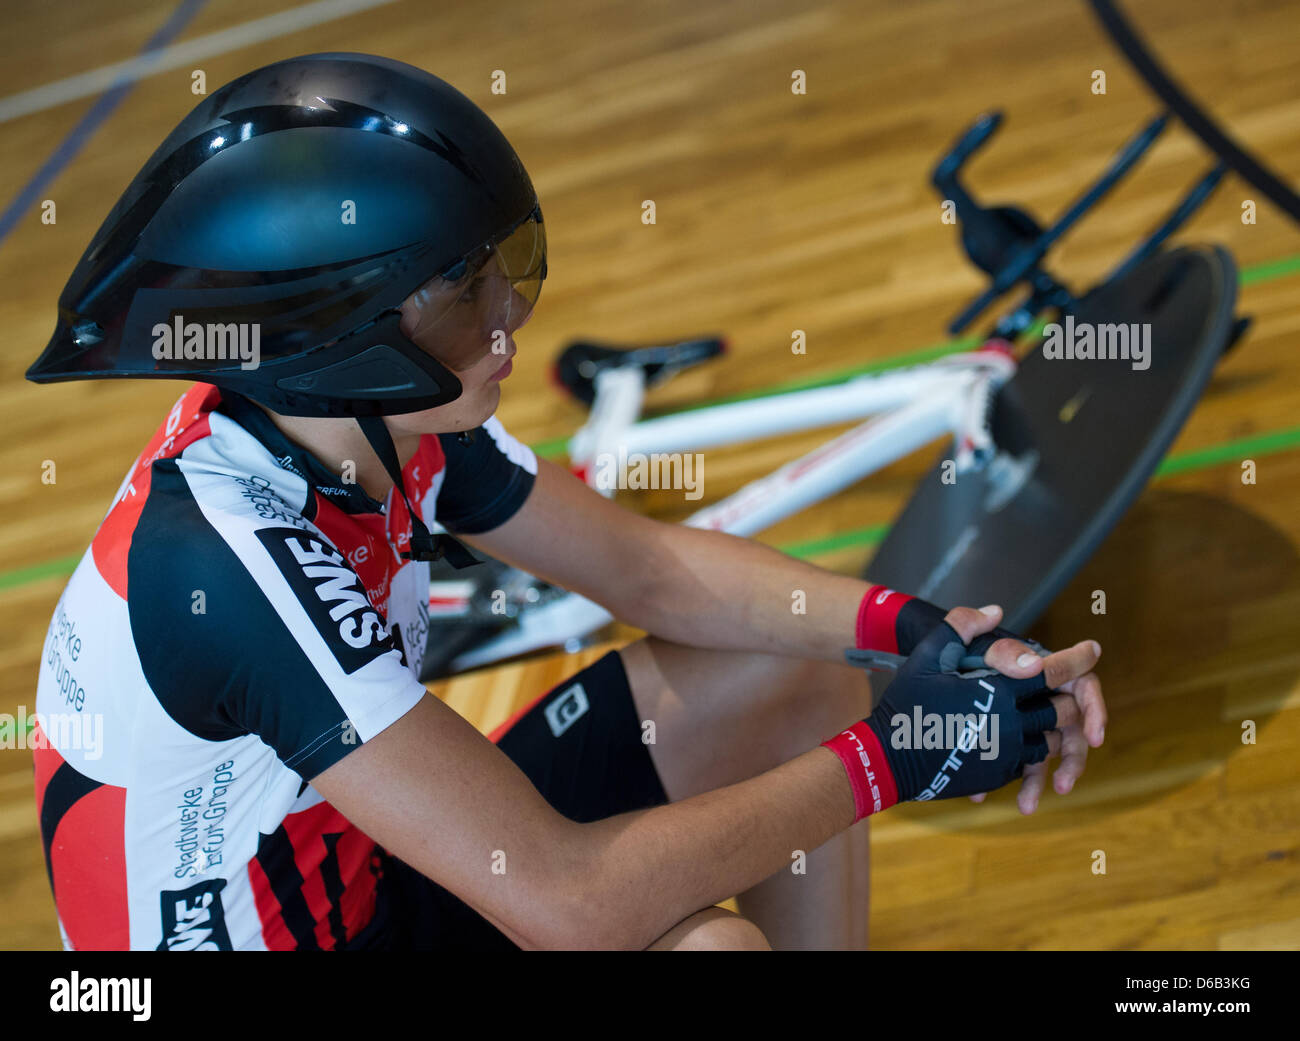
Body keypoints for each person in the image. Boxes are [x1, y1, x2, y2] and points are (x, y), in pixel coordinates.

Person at [27, 53, 1105, 951]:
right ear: (339, 343)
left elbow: (648, 571)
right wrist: (902, 754)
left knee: (805, 678)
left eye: (506, 272)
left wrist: (916, 634)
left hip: (362, 880)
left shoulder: (365, 419)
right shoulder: (227, 564)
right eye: (461, 301)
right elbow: (569, 902)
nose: (507, 330)